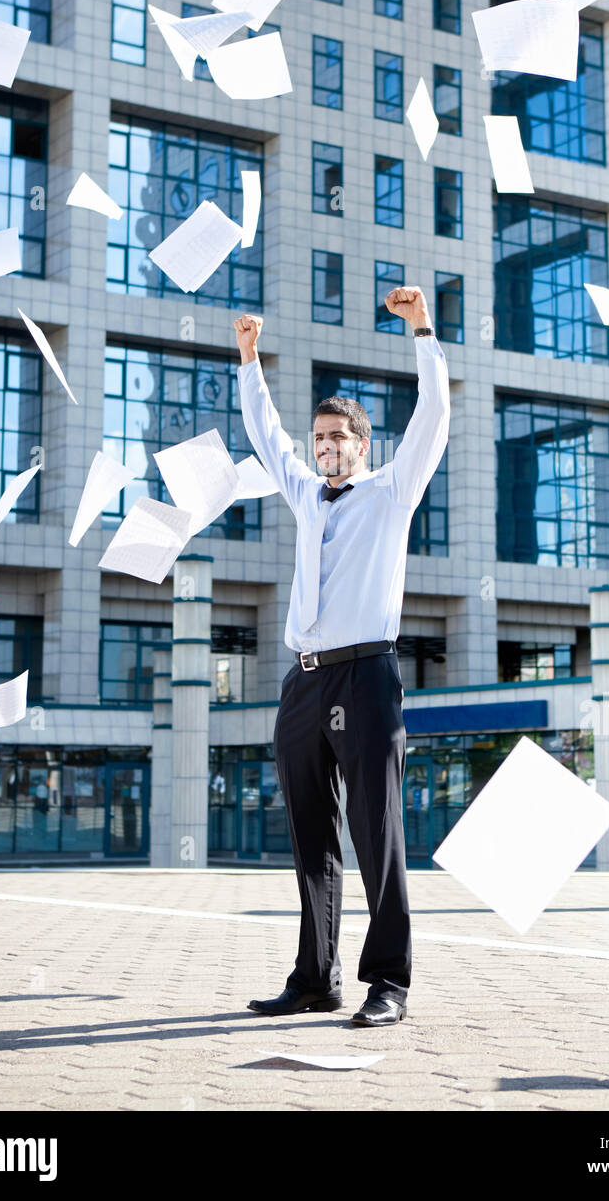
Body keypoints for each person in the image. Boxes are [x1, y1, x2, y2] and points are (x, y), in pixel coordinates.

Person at [233, 286, 450, 1026]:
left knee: (375, 834)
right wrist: (250, 359)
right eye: (319, 438)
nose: (326, 448)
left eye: (339, 439)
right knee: (309, 836)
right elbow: (267, 436)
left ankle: (389, 981)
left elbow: (434, 419)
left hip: (366, 678)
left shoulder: (392, 493)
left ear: (363, 445)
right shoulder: (303, 493)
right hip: (303, 682)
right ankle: (314, 977)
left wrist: (422, 329)